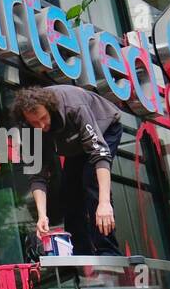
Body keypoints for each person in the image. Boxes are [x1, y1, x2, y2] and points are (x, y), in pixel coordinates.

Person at [13, 84, 123, 255]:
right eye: (35, 122)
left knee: (91, 180)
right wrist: (42, 215)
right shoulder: (28, 130)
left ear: (50, 108)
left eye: (43, 118)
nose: (41, 126)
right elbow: (37, 176)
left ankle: (108, 250)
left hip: (105, 128)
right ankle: (81, 252)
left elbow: (99, 153)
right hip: (75, 145)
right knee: (68, 192)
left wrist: (104, 203)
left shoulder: (73, 105)